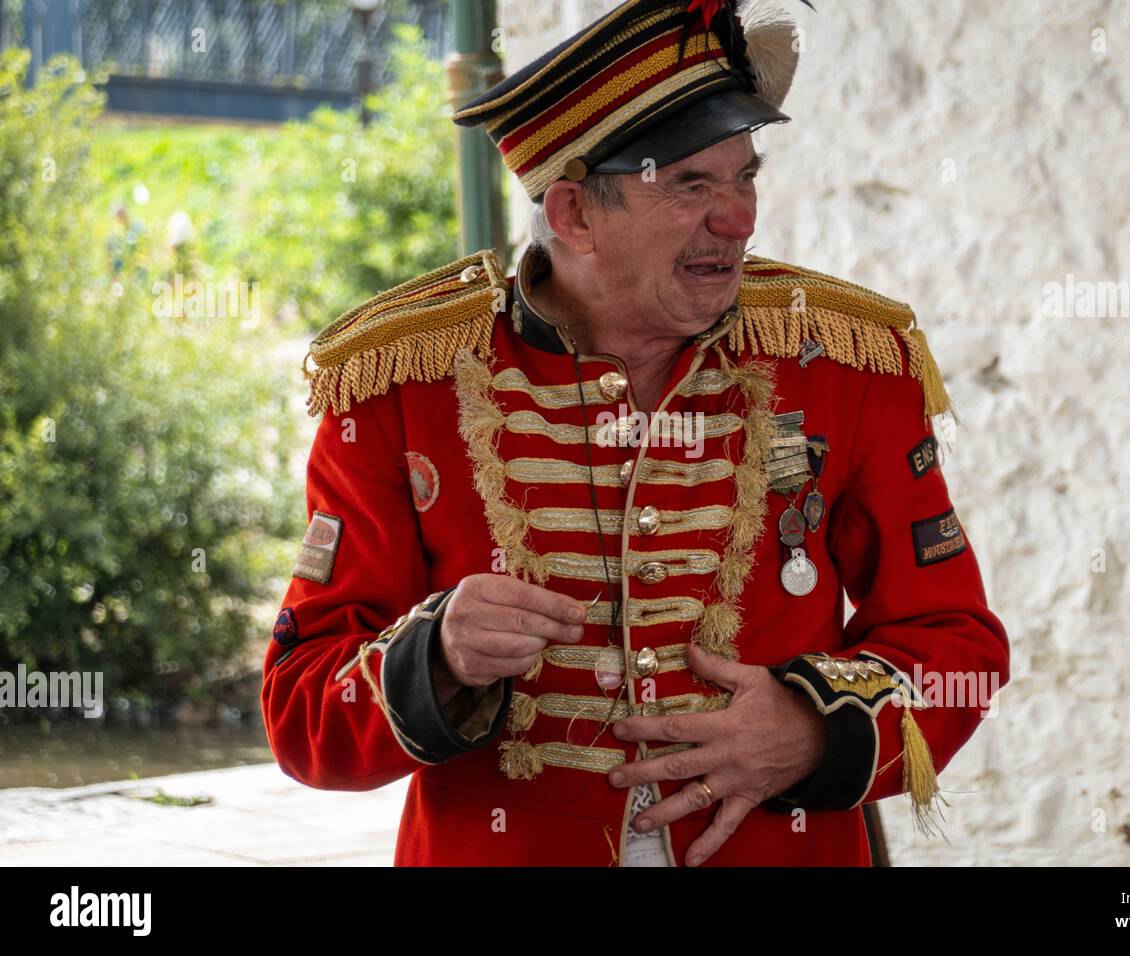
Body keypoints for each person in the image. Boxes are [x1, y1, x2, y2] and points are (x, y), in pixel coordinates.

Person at [261, 0, 1009, 867]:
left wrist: (810, 730)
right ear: (575, 214)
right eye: (692, 184)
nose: (739, 220)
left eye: (745, 178)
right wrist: (436, 655)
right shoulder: (401, 387)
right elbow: (298, 707)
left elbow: (954, 640)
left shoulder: (843, 362)